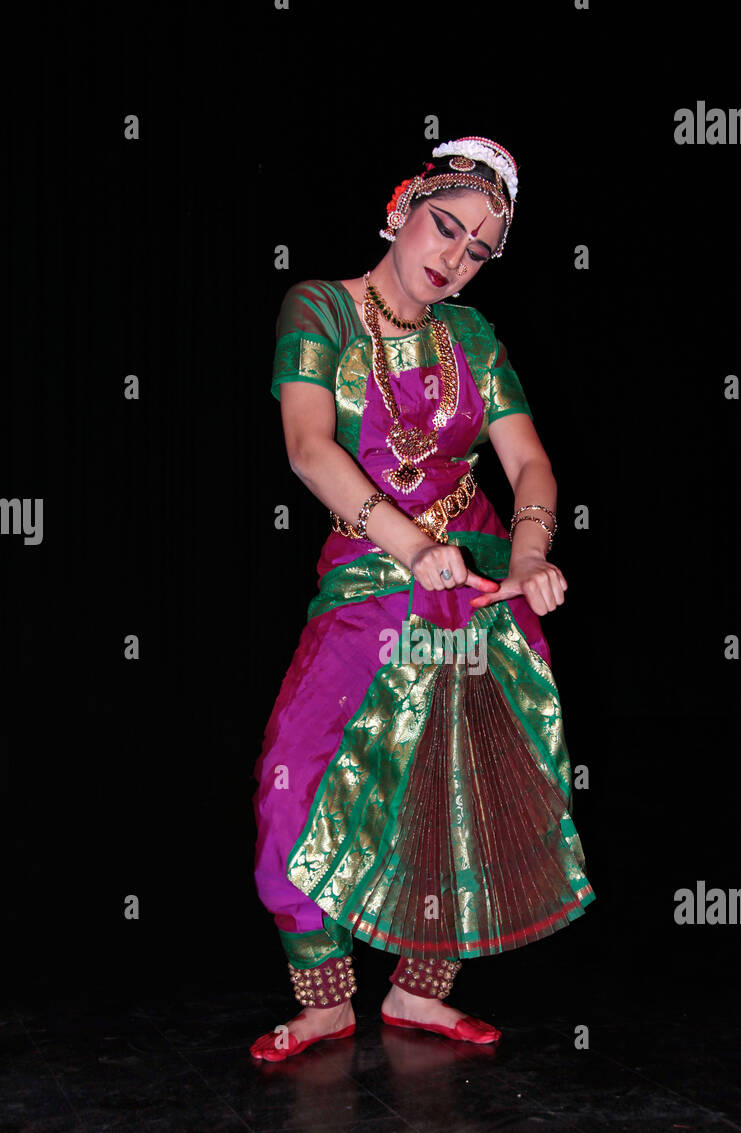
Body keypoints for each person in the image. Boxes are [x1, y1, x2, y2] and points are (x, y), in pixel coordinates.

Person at [250, 137, 596, 1061]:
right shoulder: (318, 306)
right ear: (403, 207)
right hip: (372, 573)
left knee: (458, 788)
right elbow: (308, 446)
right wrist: (409, 545)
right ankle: (325, 1001)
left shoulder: (473, 340)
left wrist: (527, 559)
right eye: (447, 227)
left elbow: (528, 462)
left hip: (478, 581)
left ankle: (417, 994)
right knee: (300, 772)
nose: (454, 258)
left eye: (479, 250)